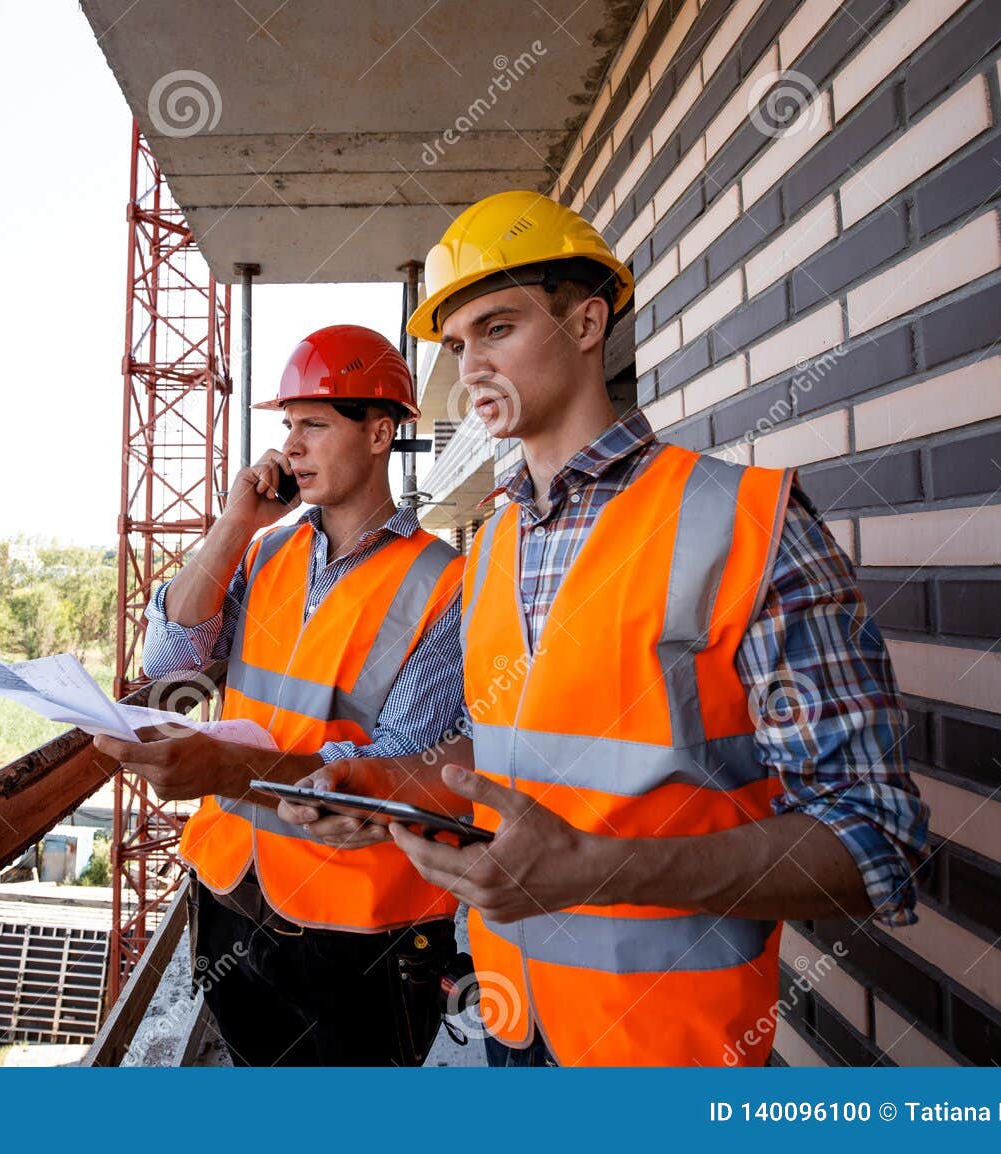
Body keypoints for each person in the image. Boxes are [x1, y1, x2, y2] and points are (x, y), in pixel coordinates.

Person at [279, 191, 929, 1067]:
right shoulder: (496, 539)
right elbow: (517, 748)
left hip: (672, 1050)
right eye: (459, 342)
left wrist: (600, 869)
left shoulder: (742, 519)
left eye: (498, 327)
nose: (471, 367)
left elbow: (874, 834)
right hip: (515, 1027)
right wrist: (398, 784)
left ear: (587, 323)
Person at [93, 324, 466, 1066]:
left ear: (380, 432)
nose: (290, 446)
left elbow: (385, 775)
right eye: (288, 425)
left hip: (357, 932)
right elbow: (170, 665)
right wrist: (235, 524)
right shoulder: (262, 550)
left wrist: (223, 769)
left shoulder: (443, 582)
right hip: (232, 898)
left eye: (315, 425)